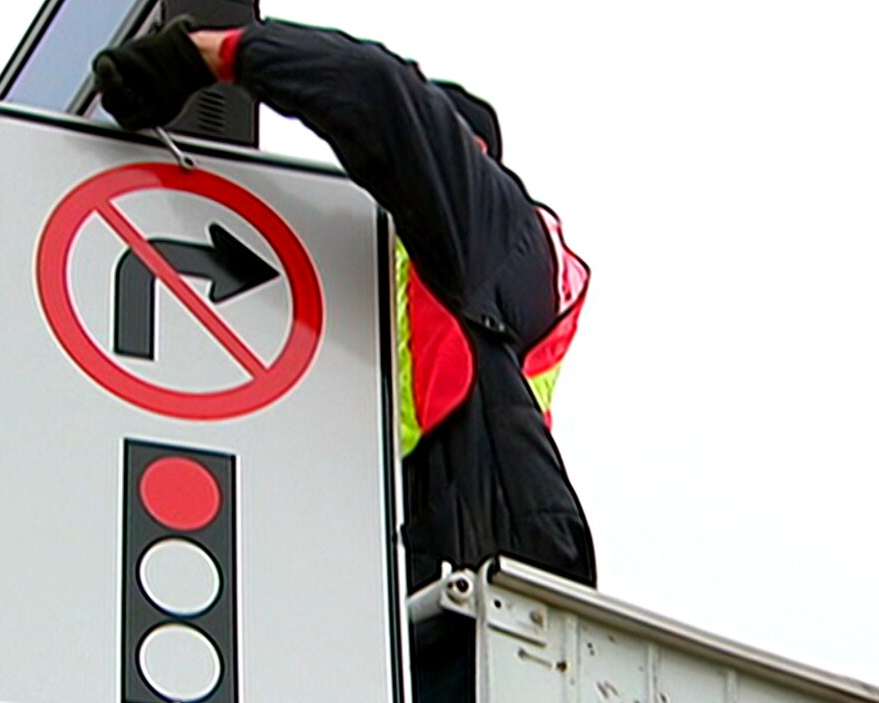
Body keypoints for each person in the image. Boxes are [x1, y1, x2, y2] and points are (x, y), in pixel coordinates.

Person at [94, 17, 596, 702]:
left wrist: (210, 55)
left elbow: (372, 89)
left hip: (488, 574)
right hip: (438, 570)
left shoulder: (483, 212)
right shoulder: (433, 272)